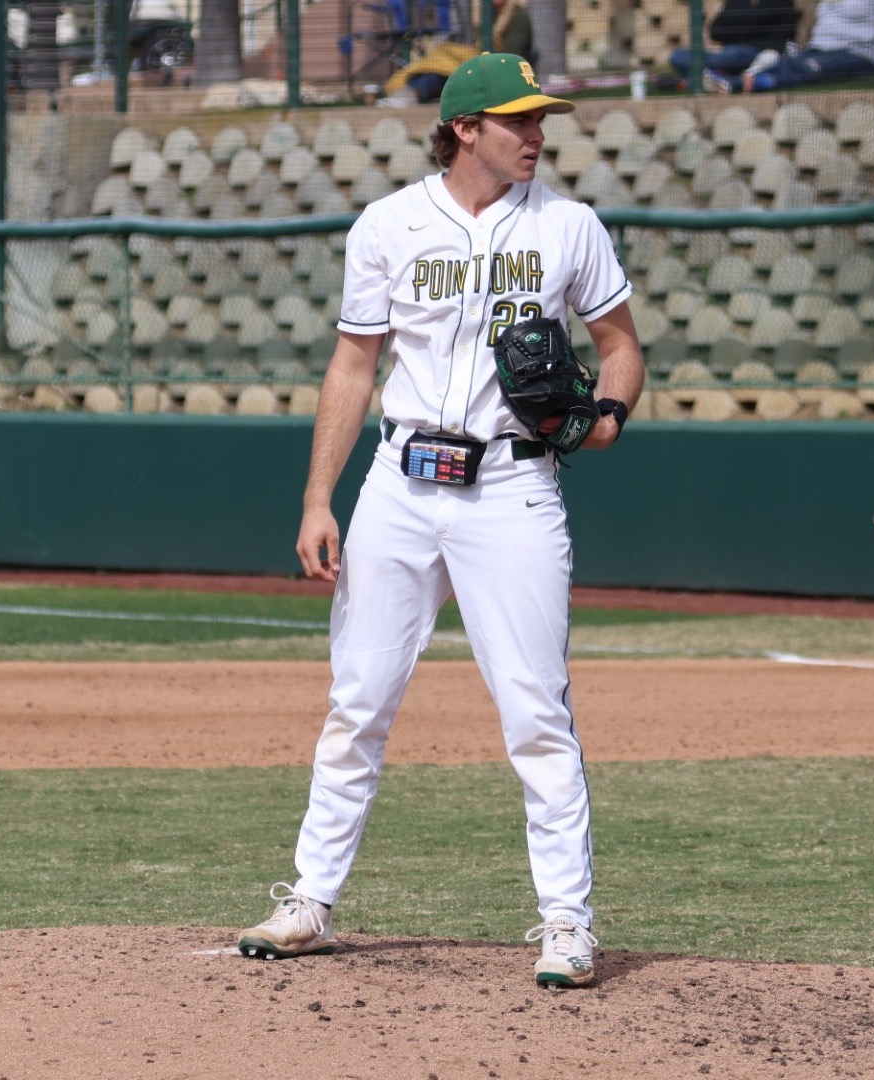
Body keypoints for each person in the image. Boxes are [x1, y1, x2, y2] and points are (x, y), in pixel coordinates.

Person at [237, 53, 644, 988]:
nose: (537, 132)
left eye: (541, 118)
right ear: (465, 128)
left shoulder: (570, 227)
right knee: (357, 703)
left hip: (514, 488)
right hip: (400, 484)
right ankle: (309, 899)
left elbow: (619, 347)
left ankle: (567, 925)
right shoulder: (388, 224)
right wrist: (318, 498)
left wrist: (610, 416)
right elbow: (353, 366)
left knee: (537, 711)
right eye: (518, 119)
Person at [726, 0, 874, 93]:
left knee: (806, 68)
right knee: (785, 62)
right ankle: (736, 81)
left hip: (857, 54)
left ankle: (747, 83)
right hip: (819, 50)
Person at [395, 0, 536, 105]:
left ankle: (413, 93)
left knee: (446, 76)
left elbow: (512, 57)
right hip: (480, 68)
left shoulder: (518, 16)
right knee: (440, 67)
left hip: (502, 74)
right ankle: (408, 91)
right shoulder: (487, 15)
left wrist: (478, 56)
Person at [668, 0, 801, 91]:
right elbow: (715, 31)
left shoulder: (781, 1)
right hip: (725, 55)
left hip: (758, 54)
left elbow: (782, 32)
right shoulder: (737, 2)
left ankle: (708, 77)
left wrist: (738, 28)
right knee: (677, 57)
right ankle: (721, 77)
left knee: (732, 54)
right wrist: (749, 29)